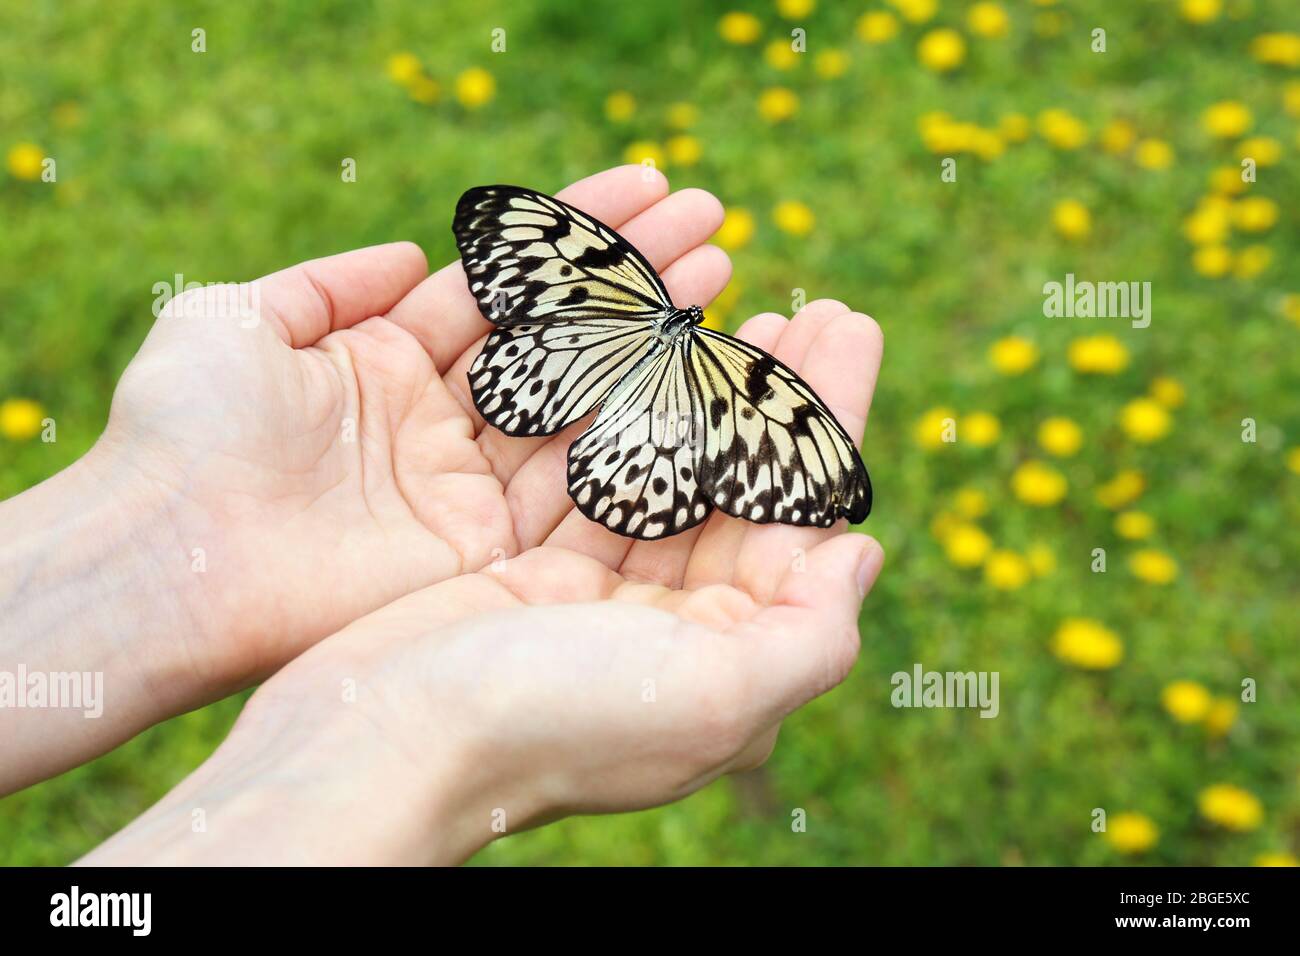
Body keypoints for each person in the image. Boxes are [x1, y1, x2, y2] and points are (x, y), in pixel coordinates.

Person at [0, 165, 885, 864]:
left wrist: (143, 541)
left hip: (577, 372)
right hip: (630, 424)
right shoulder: (727, 372)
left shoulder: (627, 297)